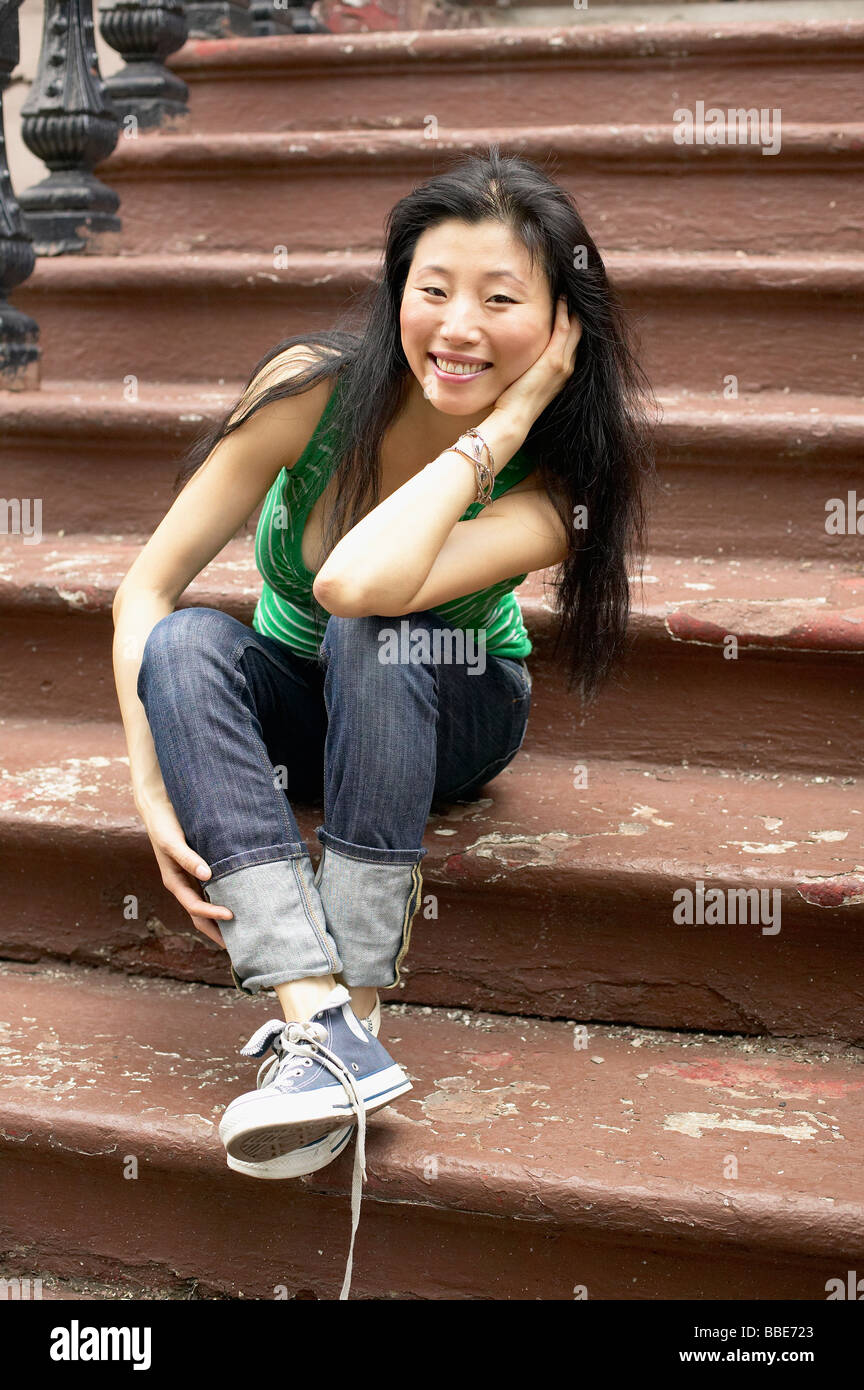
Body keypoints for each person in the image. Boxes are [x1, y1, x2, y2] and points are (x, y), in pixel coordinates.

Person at [111, 146, 656, 1299]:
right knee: (190, 641)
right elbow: (145, 590)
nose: (458, 324)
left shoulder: (553, 484)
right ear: (394, 288)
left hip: (452, 704)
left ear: (562, 328)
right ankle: (322, 1025)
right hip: (304, 704)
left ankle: (356, 996)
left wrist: (501, 431)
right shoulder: (311, 389)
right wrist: (153, 790)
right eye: (433, 287)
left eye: (503, 299)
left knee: (381, 629)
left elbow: (360, 585)